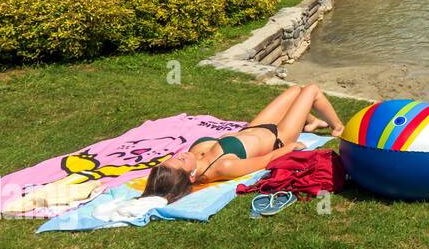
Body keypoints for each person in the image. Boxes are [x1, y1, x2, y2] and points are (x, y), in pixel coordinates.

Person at [140, 85, 344, 204]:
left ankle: (313, 121)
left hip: (251, 129)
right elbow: (266, 161)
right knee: (311, 90)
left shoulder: (193, 157)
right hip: (279, 136)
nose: (179, 155)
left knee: (294, 91)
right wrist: (289, 148)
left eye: (174, 158)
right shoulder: (223, 166)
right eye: (179, 162)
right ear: (191, 175)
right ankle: (338, 127)